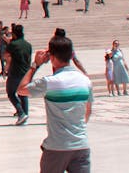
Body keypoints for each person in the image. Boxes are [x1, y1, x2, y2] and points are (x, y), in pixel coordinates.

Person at [17, 36, 93, 173]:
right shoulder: (85, 81)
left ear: (51, 57)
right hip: (81, 145)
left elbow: (21, 90)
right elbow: (87, 112)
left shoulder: (50, 82)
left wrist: (35, 65)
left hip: (57, 147)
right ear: (71, 55)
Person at [6, 24, 32, 125]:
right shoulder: (28, 44)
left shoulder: (13, 44)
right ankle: (25, 116)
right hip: (25, 72)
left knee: (11, 93)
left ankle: (21, 113)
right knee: (23, 94)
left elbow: (6, 56)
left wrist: (5, 69)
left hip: (15, 72)